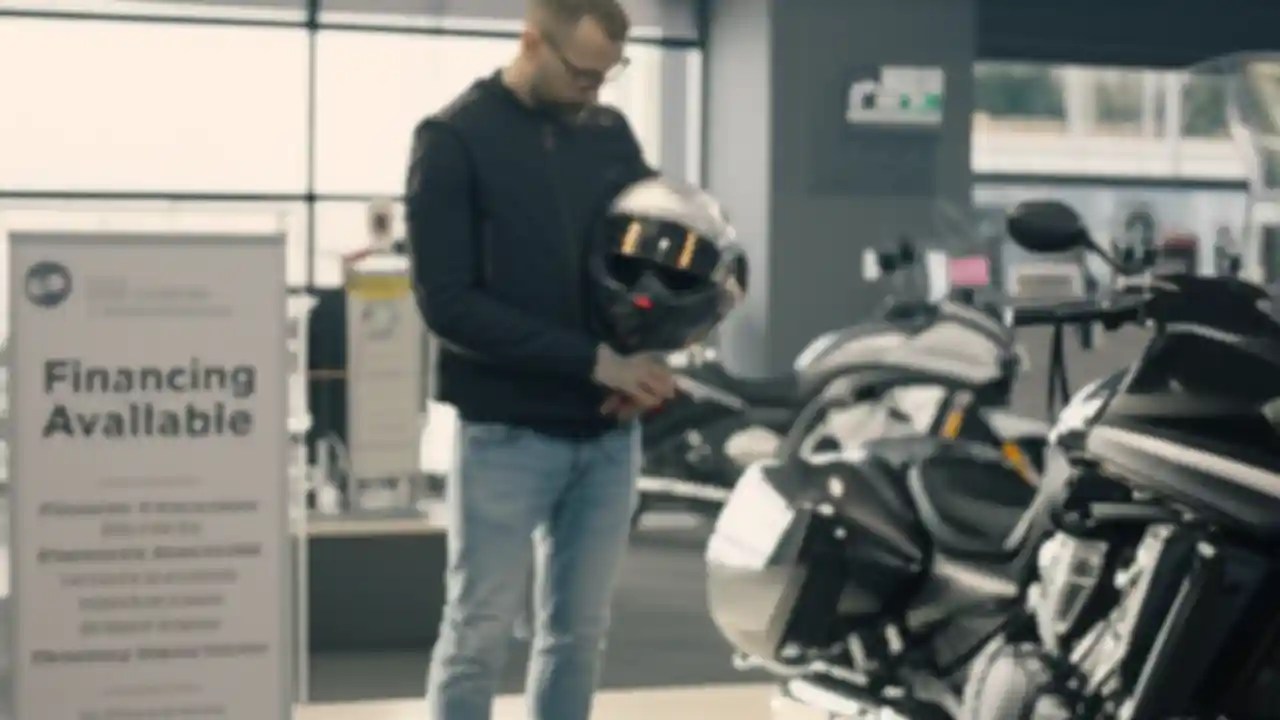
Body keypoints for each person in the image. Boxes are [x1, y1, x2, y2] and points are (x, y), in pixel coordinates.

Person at [402, 1, 679, 718]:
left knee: (578, 636)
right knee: (478, 633)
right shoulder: (453, 139)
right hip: (506, 434)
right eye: (582, 73)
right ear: (531, 42)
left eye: (608, 74)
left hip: (607, 433)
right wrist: (595, 362)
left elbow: (643, 261)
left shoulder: (609, 134)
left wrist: (645, 357)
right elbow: (449, 305)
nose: (594, 90)